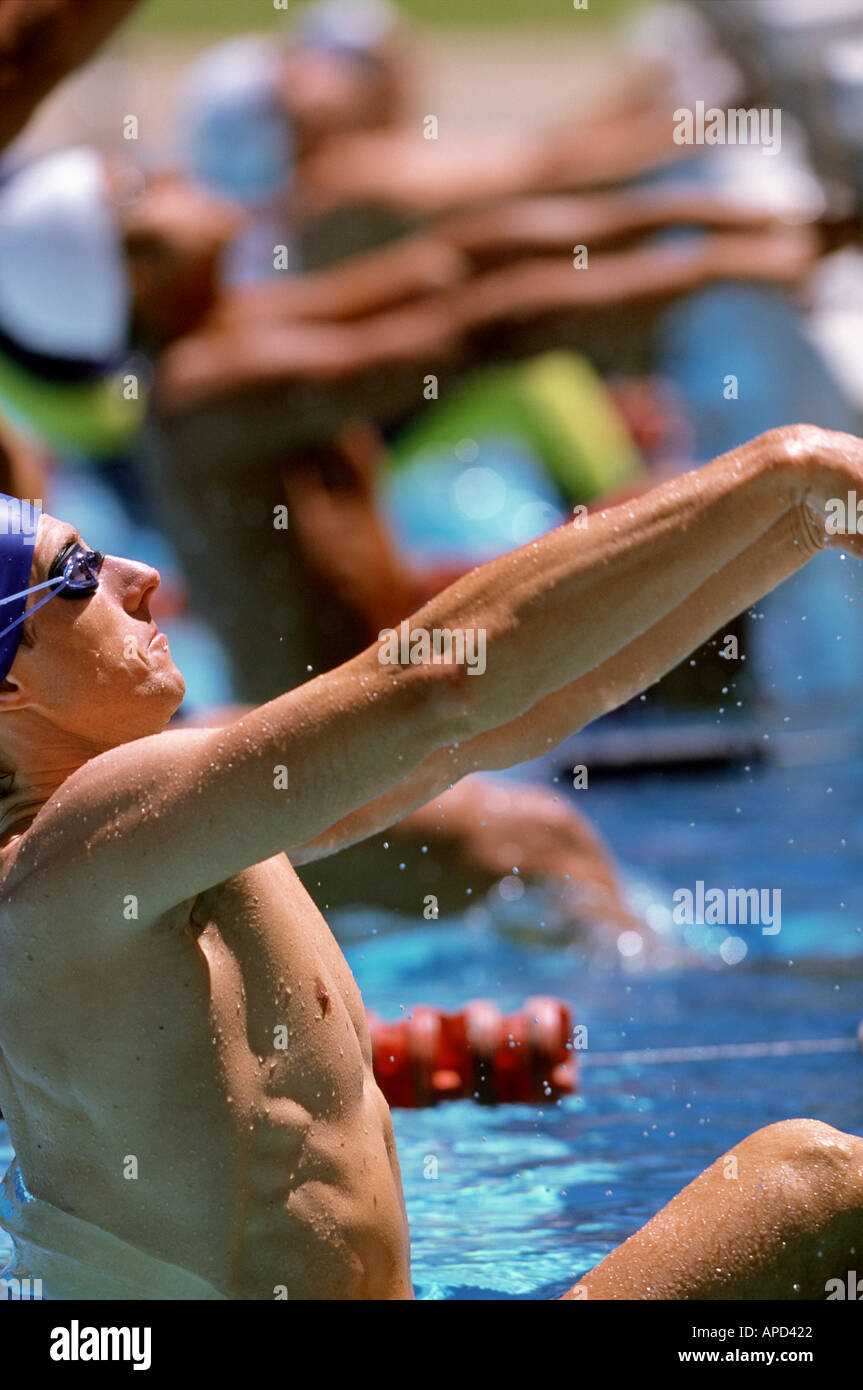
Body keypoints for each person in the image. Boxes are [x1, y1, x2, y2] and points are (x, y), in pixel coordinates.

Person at [0, 421, 862, 1299]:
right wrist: (786, 471)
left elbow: (502, 720)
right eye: (76, 574)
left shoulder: (150, 831)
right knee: (814, 1183)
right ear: (8, 685)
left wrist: (801, 528)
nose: (138, 580)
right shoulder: (81, 846)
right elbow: (440, 687)